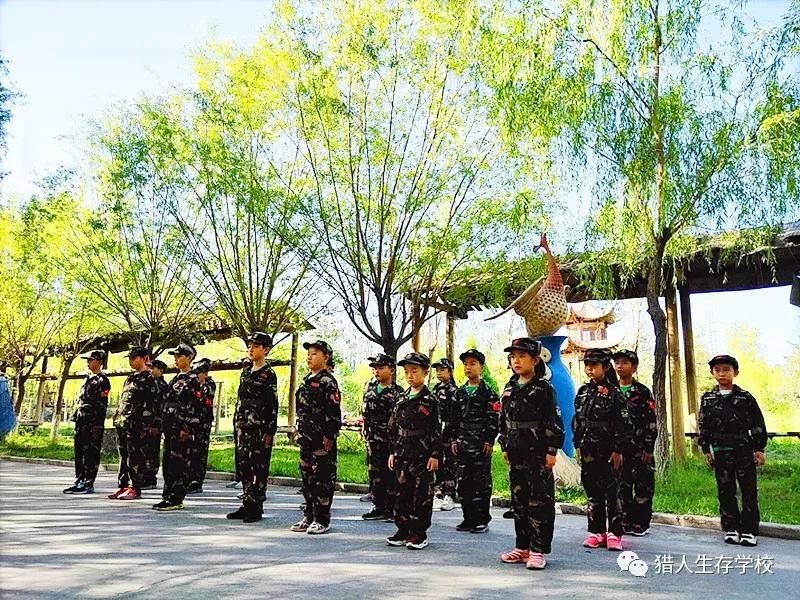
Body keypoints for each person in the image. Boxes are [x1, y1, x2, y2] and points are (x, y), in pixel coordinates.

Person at [498, 337, 564, 570]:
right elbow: (503, 420)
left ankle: (538, 550)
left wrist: (552, 450)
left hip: (537, 454)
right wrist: (504, 445)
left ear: (535, 360)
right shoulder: (509, 387)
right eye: (513, 356)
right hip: (516, 453)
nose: (516, 360)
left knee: (540, 502)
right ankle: (522, 547)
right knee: (519, 502)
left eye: (522, 356)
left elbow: (553, 421)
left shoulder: (544, 388)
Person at [698, 354, 767, 547]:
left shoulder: (745, 397)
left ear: (735, 372)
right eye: (717, 370)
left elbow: (757, 423)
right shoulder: (708, 398)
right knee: (725, 491)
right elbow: (704, 426)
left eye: (726, 370)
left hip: (743, 450)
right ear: (712, 373)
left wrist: (759, 448)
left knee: (748, 490)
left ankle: (749, 530)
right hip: (721, 451)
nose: (722, 374)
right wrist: (706, 449)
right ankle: (731, 528)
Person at [572, 348, 632, 551]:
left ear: (605, 367)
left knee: (612, 492)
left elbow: (623, 424)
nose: (589, 369)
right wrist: (577, 444)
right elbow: (577, 421)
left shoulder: (614, 394)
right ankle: (596, 532)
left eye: (594, 365)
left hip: (608, 450)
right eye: (587, 365)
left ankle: (615, 533)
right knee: (593, 491)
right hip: (588, 449)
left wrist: (618, 450)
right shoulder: (583, 392)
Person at [386, 352, 441, 550]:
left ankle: (418, 533)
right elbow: (393, 427)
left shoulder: (430, 399)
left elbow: (435, 429)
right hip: (402, 451)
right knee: (402, 492)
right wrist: (392, 451)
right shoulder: (401, 397)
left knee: (422, 495)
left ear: (425, 372)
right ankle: (402, 529)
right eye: (407, 371)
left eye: (414, 371)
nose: (410, 375)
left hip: (422, 453)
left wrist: (435, 454)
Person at [226, 332, 279, 523]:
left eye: (256, 346)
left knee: (259, 466)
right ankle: (247, 503)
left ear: (265, 349)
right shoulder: (246, 372)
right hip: (242, 427)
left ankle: (256, 507)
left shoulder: (268, 374)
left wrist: (269, 430)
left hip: (259, 429)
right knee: (244, 467)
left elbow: (273, 404)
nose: (251, 349)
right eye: (250, 345)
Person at [291, 340, 341, 535]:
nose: (309, 357)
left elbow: (333, 411)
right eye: (309, 353)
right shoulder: (306, 380)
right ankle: (309, 515)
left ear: (325, 357)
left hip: (321, 439)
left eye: (315, 354)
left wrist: (330, 434)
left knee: (322, 478)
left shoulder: (328, 382)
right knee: (307, 478)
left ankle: (322, 519)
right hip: (306, 438)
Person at [452, 349, 499, 534]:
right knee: (464, 482)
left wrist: (489, 440)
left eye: (473, 363)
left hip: (480, 444)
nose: (468, 367)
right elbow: (454, 419)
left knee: (481, 482)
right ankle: (468, 518)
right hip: (463, 443)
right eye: (466, 364)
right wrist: (454, 439)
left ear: (481, 367)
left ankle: (481, 519)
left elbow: (493, 419)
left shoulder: (488, 392)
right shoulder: (460, 392)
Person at [153, 343, 203, 512]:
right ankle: (167, 496)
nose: (176, 358)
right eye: (175, 356)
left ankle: (176, 497)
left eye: (179, 356)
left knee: (179, 464)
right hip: (170, 428)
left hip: (182, 429)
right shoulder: (176, 379)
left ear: (189, 358)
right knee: (168, 463)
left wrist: (187, 428)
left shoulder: (193, 380)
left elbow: (195, 407)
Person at [612, 349, 657, 536]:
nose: (620, 366)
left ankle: (640, 523)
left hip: (639, 447)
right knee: (622, 486)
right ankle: (624, 521)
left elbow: (651, 421)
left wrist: (648, 446)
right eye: (618, 363)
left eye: (625, 363)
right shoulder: (610, 390)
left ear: (634, 367)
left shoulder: (642, 392)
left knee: (643, 486)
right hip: (619, 449)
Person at [108, 347, 160, 501]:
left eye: (134, 357)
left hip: (138, 425)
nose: (131, 360)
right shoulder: (130, 378)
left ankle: (135, 487)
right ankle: (123, 485)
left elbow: (153, 404)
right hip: (124, 423)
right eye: (130, 358)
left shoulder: (149, 379)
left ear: (145, 358)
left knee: (136, 457)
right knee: (124, 456)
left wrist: (149, 425)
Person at [361, 353, 403, 521]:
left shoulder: (398, 392)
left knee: (391, 473)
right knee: (375, 472)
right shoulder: (370, 389)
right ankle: (378, 506)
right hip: (372, 438)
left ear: (391, 370)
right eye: (375, 368)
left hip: (390, 440)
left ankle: (392, 508)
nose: (377, 371)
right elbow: (365, 413)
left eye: (381, 368)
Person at [64, 350, 110, 495]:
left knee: (91, 453)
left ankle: (89, 483)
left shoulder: (103, 381)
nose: (88, 362)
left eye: (91, 359)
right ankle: (79, 480)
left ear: (99, 361)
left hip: (93, 423)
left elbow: (102, 404)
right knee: (79, 452)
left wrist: (96, 424)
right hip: (81, 421)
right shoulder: (87, 379)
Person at [431, 358, 458, 512]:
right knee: (438, 463)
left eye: (442, 369)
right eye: (437, 370)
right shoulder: (435, 389)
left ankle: (450, 494)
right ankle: (439, 493)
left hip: (448, 431)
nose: (439, 372)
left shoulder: (454, 391)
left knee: (450, 464)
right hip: (436, 432)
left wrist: (454, 435)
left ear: (450, 371)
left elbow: (455, 415)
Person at [188, 358, 216, 493]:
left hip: (203, 424)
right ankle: (189, 478)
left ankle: (197, 481)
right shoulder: (193, 384)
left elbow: (203, 402)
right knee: (190, 451)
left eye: (198, 373)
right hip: (192, 423)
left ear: (204, 374)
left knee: (200, 452)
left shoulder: (209, 385)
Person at [144, 358, 170, 489]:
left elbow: (161, 407)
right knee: (145, 450)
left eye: (152, 368)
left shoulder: (162, 386)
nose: (150, 370)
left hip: (155, 423)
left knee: (152, 451)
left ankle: (150, 478)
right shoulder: (150, 383)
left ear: (160, 370)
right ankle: (145, 476)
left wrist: (155, 424)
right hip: (145, 423)